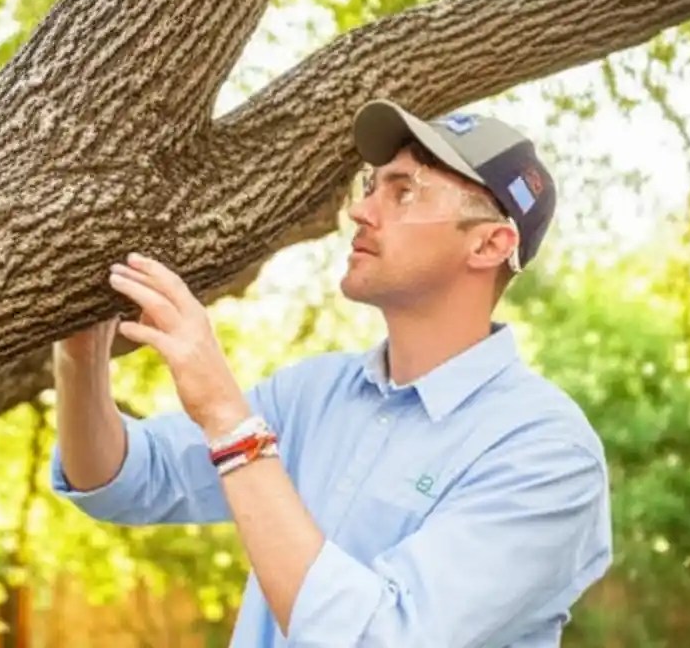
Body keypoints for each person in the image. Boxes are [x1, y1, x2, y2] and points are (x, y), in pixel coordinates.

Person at [48, 99, 613, 647]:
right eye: (373, 185)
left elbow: (382, 638)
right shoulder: (315, 394)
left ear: (491, 243)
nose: (361, 211)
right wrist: (80, 354)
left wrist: (226, 415)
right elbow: (125, 481)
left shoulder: (546, 453)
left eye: (405, 191)